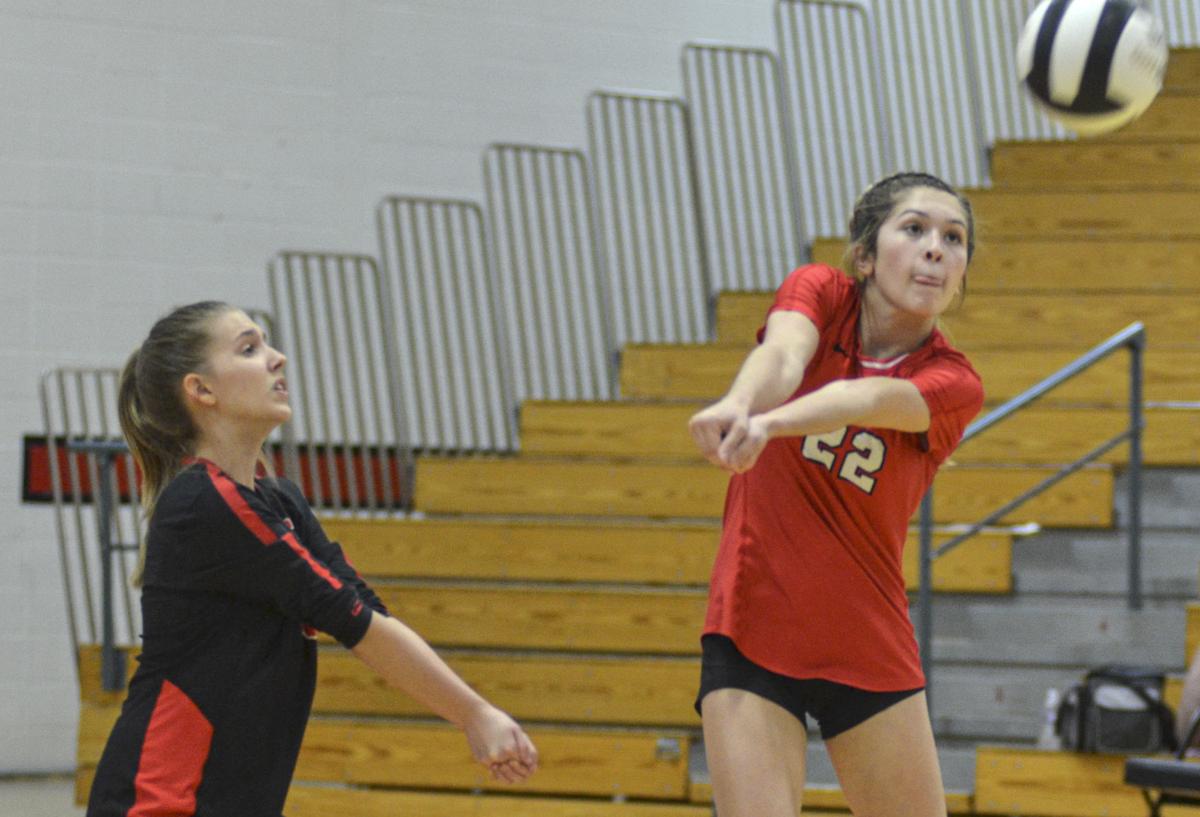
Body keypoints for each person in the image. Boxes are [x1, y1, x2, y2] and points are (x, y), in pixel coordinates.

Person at [87, 301, 537, 816]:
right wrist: (474, 714)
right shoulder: (205, 503)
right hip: (164, 800)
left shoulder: (277, 499)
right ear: (202, 390)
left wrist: (474, 714)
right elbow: (352, 621)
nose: (277, 359)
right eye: (250, 349)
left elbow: (363, 608)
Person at [688, 172, 985, 817]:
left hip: (866, 636)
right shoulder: (819, 290)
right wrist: (740, 402)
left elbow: (867, 399)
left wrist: (767, 425)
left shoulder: (954, 382)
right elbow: (786, 356)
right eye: (914, 229)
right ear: (866, 256)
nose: (936, 248)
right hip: (755, 622)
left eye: (953, 238)